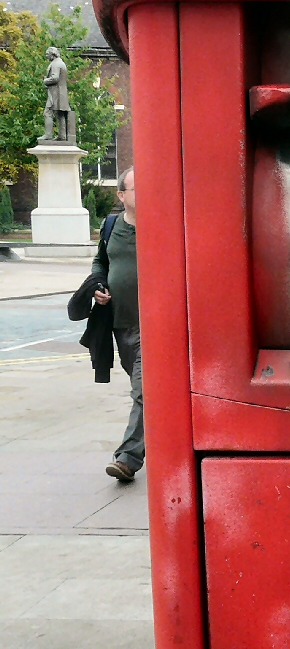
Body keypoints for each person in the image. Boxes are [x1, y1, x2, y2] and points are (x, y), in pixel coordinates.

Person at [92, 167, 143, 482]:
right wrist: (99, 283)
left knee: (144, 392)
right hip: (120, 326)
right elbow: (101, 261)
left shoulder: (164, 224)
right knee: (146, 393)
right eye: (138, 188)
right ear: (122, 195)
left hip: (155, 327)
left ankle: (127, 458)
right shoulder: (110, 225)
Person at [40, 47, 70, 141]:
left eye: (47, 53)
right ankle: (62, 136)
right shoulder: (61, 63)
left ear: (52, 54)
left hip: (55, 93)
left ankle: (48, 135)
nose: (46, 55)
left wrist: (45, 81)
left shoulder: (55, 64)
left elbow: (55, 78)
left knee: (47, 112)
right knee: (59, 113)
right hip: (61, 93)